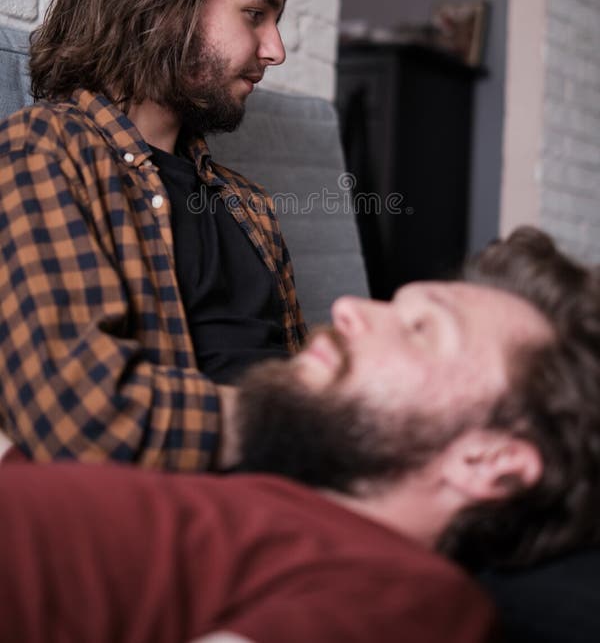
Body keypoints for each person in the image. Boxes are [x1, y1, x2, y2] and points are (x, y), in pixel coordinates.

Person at [1, 226, 599, 643]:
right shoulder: (259, 508)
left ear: (488, 461)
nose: (346, 307)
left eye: (421, 329)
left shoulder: (406, 596)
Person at [0, 0, 305, 471]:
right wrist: (304, 429)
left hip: (308, 490)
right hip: (201, 510)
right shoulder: (44, 152)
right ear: (164, 3)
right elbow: (80, 411)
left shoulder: (250, 207)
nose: (276, 49)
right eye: (254, 14)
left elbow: (296, 370)